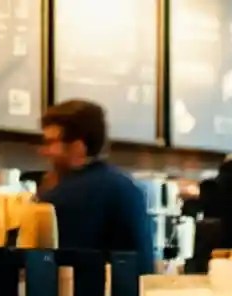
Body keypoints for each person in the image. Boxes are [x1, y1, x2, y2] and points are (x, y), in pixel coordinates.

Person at [39, 99, 154, 275]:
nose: (44, 151)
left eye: (51, 142)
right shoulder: (126, 186)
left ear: (79, 147)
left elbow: (43, 269)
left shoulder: (61, 198)